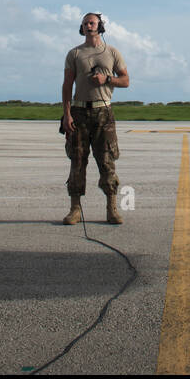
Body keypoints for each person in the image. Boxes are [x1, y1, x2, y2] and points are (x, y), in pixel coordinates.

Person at [60, 12, 129, 225]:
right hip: (79, 112)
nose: (89, 26)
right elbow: (67, 85)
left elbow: (125, 80)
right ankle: (75, 209)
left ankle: (112, 207)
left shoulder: (112, 52)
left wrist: (107, 79)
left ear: (100, 27)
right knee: (77, 160)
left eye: (92, 23)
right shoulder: (74, 53)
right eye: (85, 23)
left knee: (107, 160)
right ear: (81, 27)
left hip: (103, 112)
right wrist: (67, 114)